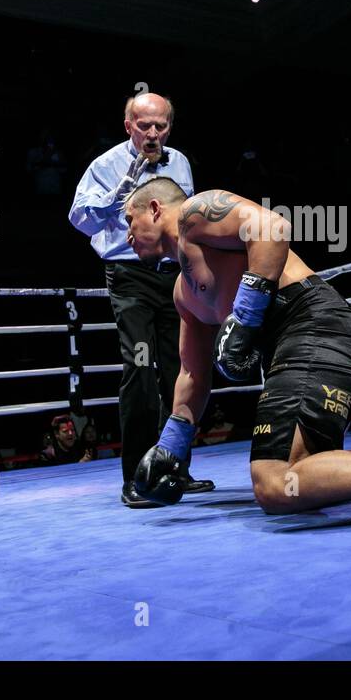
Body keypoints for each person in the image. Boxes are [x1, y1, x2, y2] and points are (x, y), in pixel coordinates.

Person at [124, 179, 351, 526]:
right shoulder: (183, 294)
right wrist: (170, 447)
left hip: (314, 326)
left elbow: (272, 227)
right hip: (308, 344)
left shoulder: (195, 213)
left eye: (129, 220)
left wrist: (246, 318)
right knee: (304, 474)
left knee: (272, 483)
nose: (127, 235)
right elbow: (193, 374)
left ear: (155, 209)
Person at [68, 92, 213, 507]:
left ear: (169, 126)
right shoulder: (105, 165)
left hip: (174, 274)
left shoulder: (180, 162)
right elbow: (79, 220)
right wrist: (121, 190)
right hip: (130, 277)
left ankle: (174, 470)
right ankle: (135, 476)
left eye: (161, 126)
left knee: (180, 370)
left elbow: (187, 219)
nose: (153, 133)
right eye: (145, 125)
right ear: (128, 125)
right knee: (140, 366)